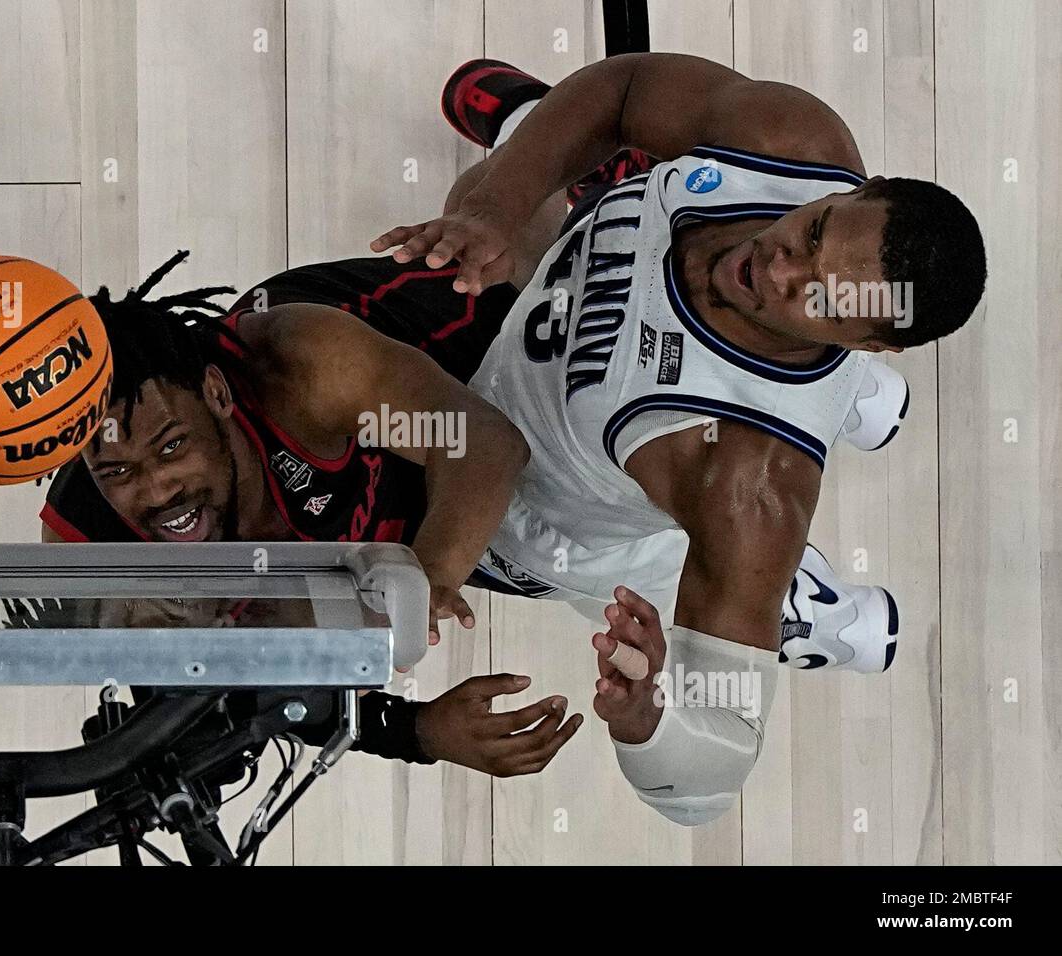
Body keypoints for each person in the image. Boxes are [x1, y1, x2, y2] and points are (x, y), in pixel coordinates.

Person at [369, 53, 986, 824]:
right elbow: (624, 90)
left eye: (822, 296)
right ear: (859, 188)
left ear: (868, 341)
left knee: (738, 572)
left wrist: (652, 721)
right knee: (485, 196)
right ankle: (536, 135)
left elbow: (709, 777)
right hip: (535, 316)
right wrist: (497, 204)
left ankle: (805, 606)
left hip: (541, 516)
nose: (777, 264)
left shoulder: (748, 483)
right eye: (815, 231)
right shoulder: (795, 141)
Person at [37, 250, 580, 778]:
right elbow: (235, 688)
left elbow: (481, 443)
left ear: (217, 393)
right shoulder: (89, 544)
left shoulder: (301, 367)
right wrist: (413, 731)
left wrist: (430, 576)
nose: (158, 492)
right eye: (119, 474)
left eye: (173, 447)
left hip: (550, 337)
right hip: (507, 534)